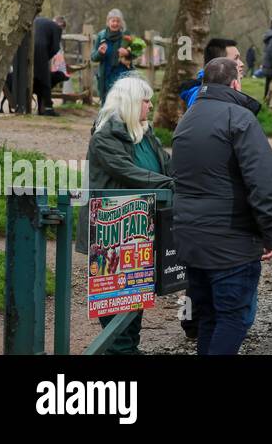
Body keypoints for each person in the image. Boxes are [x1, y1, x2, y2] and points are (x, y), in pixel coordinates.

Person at [173, 57, 272, 355]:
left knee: (208, 316)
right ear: (235, 84)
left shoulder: (188, 119)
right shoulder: (241, 118)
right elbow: (262, 183)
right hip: (231, 242)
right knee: (233, 318)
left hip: (190, 238)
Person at [81, 76, 172, 353]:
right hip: (111, 231)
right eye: (145, 100)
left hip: (140, 226)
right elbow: (130, 173)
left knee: (137, 290)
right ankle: (119, 351)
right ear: (131, 103)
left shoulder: (145, 134)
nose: (151, 105)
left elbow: (167, 165)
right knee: (114, 295)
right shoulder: (105, 137)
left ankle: (130, 347)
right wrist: (169, 184)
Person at [93, 9, 144, 100]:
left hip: (122, 75)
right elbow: (93, 57)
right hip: (105, 76)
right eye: (113, 21)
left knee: (121, 104)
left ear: (121, 23)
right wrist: (100, 53)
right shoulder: (101, 36)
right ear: (108, 22)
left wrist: (127, 53)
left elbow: (137, 52)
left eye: (118, 21)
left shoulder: (126, 36)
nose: (115, 24)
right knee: (106, 105)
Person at [180, 38, 243, 109]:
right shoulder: (203, 95)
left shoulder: (217, 90)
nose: (242, 64)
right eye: (235, 59)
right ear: (219, 63)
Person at [32, 14, 63, 115]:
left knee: (32, 78)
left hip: (27, 48)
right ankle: (48, 109)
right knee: (45, 79)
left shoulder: (36, 20)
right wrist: (47, 57)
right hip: (41, 49)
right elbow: (55, 47)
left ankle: (27, 106)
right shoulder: (57, 28)